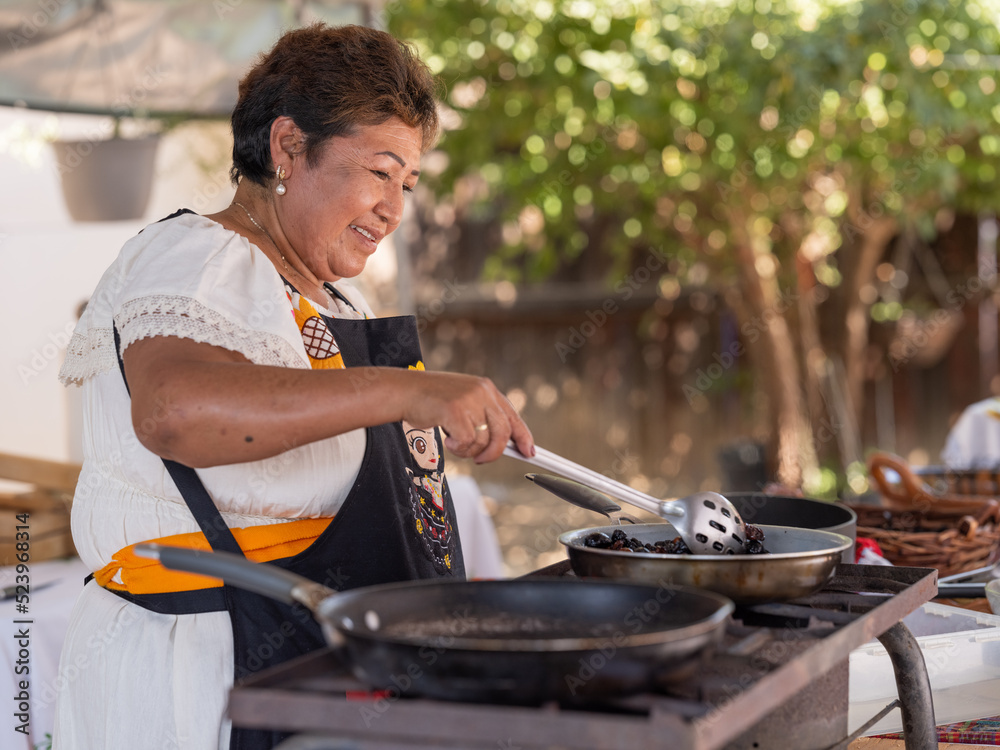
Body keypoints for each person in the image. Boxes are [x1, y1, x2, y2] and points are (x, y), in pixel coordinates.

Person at [53, 23, 533, 750]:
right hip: (204, 668)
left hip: (310, 650)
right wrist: (410, 393)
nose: (394, 209)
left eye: (407, 183)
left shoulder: (337, 303)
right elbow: (174, 411)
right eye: (379, 172)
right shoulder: (199, 255)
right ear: (288, 147)